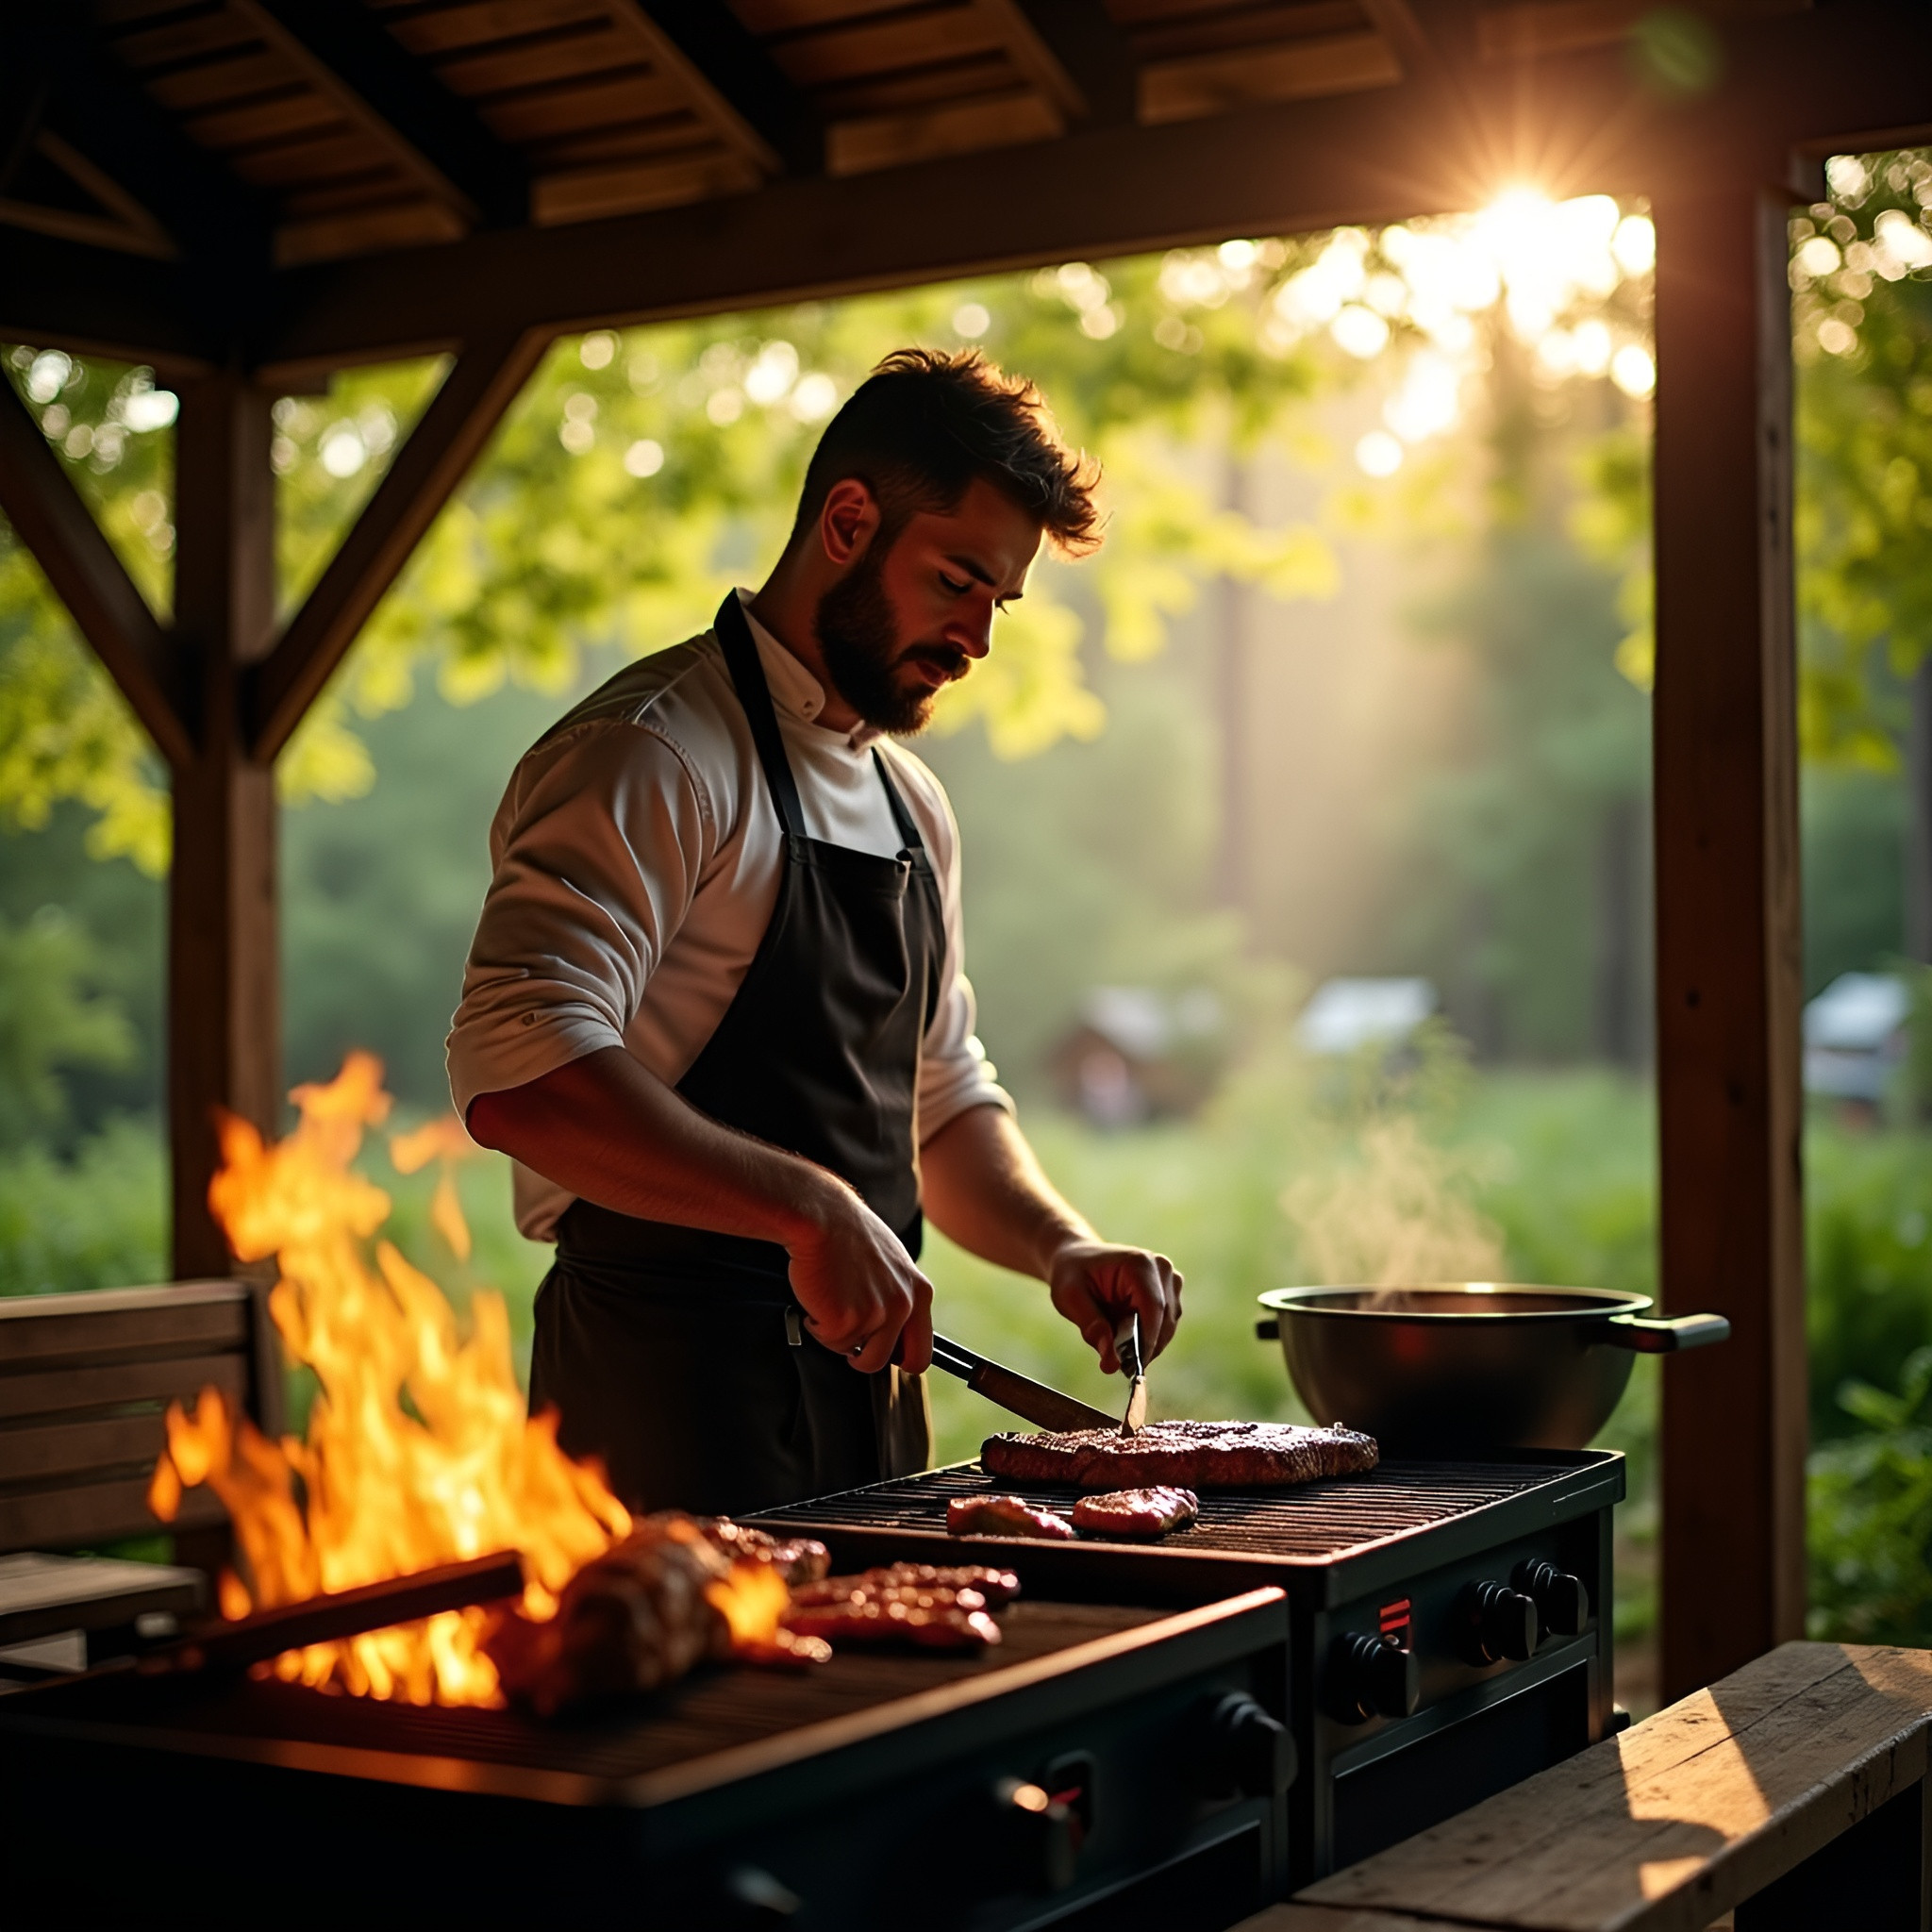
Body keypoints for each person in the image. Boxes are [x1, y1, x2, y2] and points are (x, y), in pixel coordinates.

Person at [450, 347, 1182, 1515]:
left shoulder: (913, 806)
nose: (977, 638)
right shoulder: (652, 752)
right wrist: (808, 1205)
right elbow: (515, 1072)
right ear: (848, 521)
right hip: (656, 1414)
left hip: (871, 1411)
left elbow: (937, 1099)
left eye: (996, 600)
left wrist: (1059, 1245)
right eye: (954, 581)